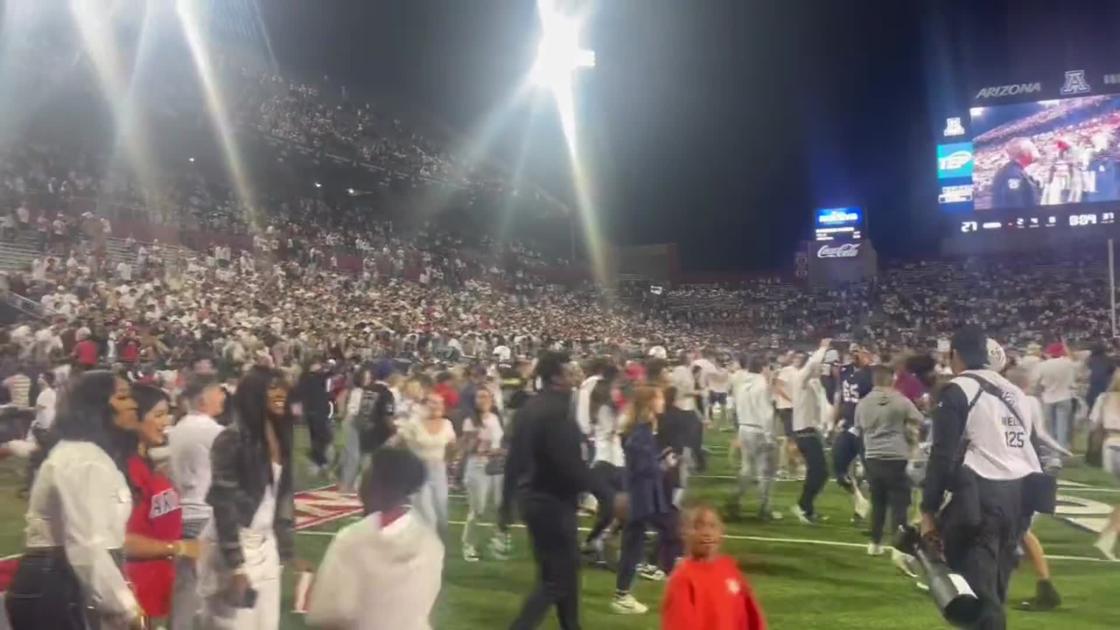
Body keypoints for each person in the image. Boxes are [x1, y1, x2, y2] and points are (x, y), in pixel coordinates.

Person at [921, 327, 1049, 630]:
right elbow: (1030, 447)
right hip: (1019, 500)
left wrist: (928, 510)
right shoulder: (1015, 392)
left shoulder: (958, 389)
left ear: (955, 355)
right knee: (996, 593)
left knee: (978, 602)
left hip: (982, 499)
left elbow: (942, 454)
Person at [5, 371, 146, 630]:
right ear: (96, 405)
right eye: (123, 396)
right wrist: (126, 609)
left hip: (64, 582)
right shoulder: (83, 459)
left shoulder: (88, 454)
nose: (133, 403)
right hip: (61, 586)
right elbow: (86, 544)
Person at [505, 350, 614, 630]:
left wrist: (506, 504)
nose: (576, 373)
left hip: (535, 500)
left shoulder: (532, 407)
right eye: (570, 369)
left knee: (561, 573)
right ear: (556, 375)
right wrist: (604, 493)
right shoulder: (555, 411)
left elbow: (514, 459)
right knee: (556, 580)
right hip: (551, 502)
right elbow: (569, 465)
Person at [198, 366, 302, 629]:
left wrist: (285, 549)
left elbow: (281, 498)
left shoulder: (282, 436)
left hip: (267, 545)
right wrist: (236, 566)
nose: (281, 394)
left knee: (267, 624)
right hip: (236, 544)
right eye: (272, 387)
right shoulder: (231, 439)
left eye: (283, 387)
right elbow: (224, 504)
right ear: (255, 394)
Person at [306, 447, 443, 630]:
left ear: (378, 484)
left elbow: (330, 616)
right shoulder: (431, 544)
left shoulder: (352, 542)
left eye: (366, 473)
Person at [123, 384, 199, 625]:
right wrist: (180, 548)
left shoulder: (150, 462)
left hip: (159, 585)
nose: (167, 421)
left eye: (168, 413)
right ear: (134, 419)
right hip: (133, 590)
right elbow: (121, 541)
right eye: (158, 415)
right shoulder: (125, 470)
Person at [613, 385, 681, 615]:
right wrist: (663, 464)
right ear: (650, 403)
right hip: (640, 496)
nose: (663, 401)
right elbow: (642, 466)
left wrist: (659, 459)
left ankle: (625, 591)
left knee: (636, 543)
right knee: (634, 545)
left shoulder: (644, 429)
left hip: (643, 495)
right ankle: (623, 595)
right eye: (660, 397)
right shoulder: (641, 432)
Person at [167, 374, 227, 630]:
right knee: (207, 594)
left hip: (178, 513)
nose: (224, 397)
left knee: (183, 591)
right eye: (219, 393)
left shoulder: (176, 428)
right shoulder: (214, 432)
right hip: (204, 516)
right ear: (204, 400)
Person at [854, 365, 922, 571]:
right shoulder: (900, 400)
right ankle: (898, 549)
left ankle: (875, 544)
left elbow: (859, 428)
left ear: (874, 380)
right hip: (896, 456)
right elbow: (918, 418)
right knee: (899, 505)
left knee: (878, 502)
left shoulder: (863, 403)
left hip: (873, 456)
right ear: (891, 379)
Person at [661, 503, 767, 630]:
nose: (707, 533)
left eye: (713, 526)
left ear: (722, 530)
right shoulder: (682, 579)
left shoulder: (729, 569)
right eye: (697, 527)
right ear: (684, 533)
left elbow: (752, 615)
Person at [395, 391, 457, 538]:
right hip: (418, 471)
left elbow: (452, 446)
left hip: (439, 470)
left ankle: (436, 543)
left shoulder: (447, 424)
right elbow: (399, 444)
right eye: (433, 402)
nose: (437, 406)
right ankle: (427, 548)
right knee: (428, 515)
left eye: (440, 403)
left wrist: (448, 462)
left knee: (442, 513)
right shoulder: (413, 424)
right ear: (424, 405)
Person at [460, 387, 510, 561]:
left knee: (499, 506)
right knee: (478, 509)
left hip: (496, 467)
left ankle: (496, 542)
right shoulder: (470, 421)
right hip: (478, 466)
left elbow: (499, 441)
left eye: (486, 396)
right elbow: (466, 449)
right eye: (479, 397)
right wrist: (479, 443)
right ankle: (468, 544)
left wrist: (501, 451)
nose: (483, 400)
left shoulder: (495, 418)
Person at [729, 356, 782, 521]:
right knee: (765, 472)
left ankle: (735, 501)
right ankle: (764, 509)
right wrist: (769, 436)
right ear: (763, 367)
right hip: (759, 430)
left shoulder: (742, 383)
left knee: (746, 469)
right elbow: (766, 413)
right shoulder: (762, 385)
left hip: (744, 428)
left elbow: (735, 407)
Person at [582, 368, 625, 566]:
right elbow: (615, 430)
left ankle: (599, 541)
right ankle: (593, 541)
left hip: (616, 464)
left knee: (623, 509)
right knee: (609, 508)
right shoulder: (603, 411)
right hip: (602, 464)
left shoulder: (612, 409)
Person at [790, 339, 832, 524]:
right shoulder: (802, 380)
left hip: (811, 432)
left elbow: (822, 407)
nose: (820, 368)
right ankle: (801, 506)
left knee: (820, 473)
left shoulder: (814, 384)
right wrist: (822, 348)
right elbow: (813, 364)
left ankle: (807, 508)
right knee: (818, 472)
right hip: (804, 434)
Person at [832, 345, 872, 523]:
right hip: (848, 425)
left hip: (867, 428)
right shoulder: (845, 371)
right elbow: (840, 397)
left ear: (868, 354)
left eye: (860, 351)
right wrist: (834, 420)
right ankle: (860, 502)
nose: (855, 354)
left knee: (872, 474)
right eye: (853, 350)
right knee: (839, 470)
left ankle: (878, 514)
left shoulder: (873, 373)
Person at [1090, 369, 1120, 561]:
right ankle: (1106, 539)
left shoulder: (1104, 397)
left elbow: (1093, 424)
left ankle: (1107, 538)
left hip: (1109, 445)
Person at [295, 359, 333, 476]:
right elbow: (298, 397)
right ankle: (321, 463)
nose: (319, 367)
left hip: (318, 412)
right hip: (313, 413)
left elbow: (331, 373)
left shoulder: (319, 378)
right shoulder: (305, 379)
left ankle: (319, 462)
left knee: (321, 439)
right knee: (321, 438)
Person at [1037, 342, 1076, 450]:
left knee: (1049, 429)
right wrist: (1065, 345)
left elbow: (1038, 382)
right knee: (1062, 428)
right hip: (1065, 396)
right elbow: (1073, 358)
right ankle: (1061, 451)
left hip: (1048, 398)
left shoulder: (1043, 365)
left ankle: (1051, 451)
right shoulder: (1068, 362)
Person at [990, 137, 1041, 208]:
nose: (1036, 150)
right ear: (1025, 152)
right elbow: (1014, 202)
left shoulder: (1013, 170)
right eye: (1033, 148)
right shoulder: (1013, 175)